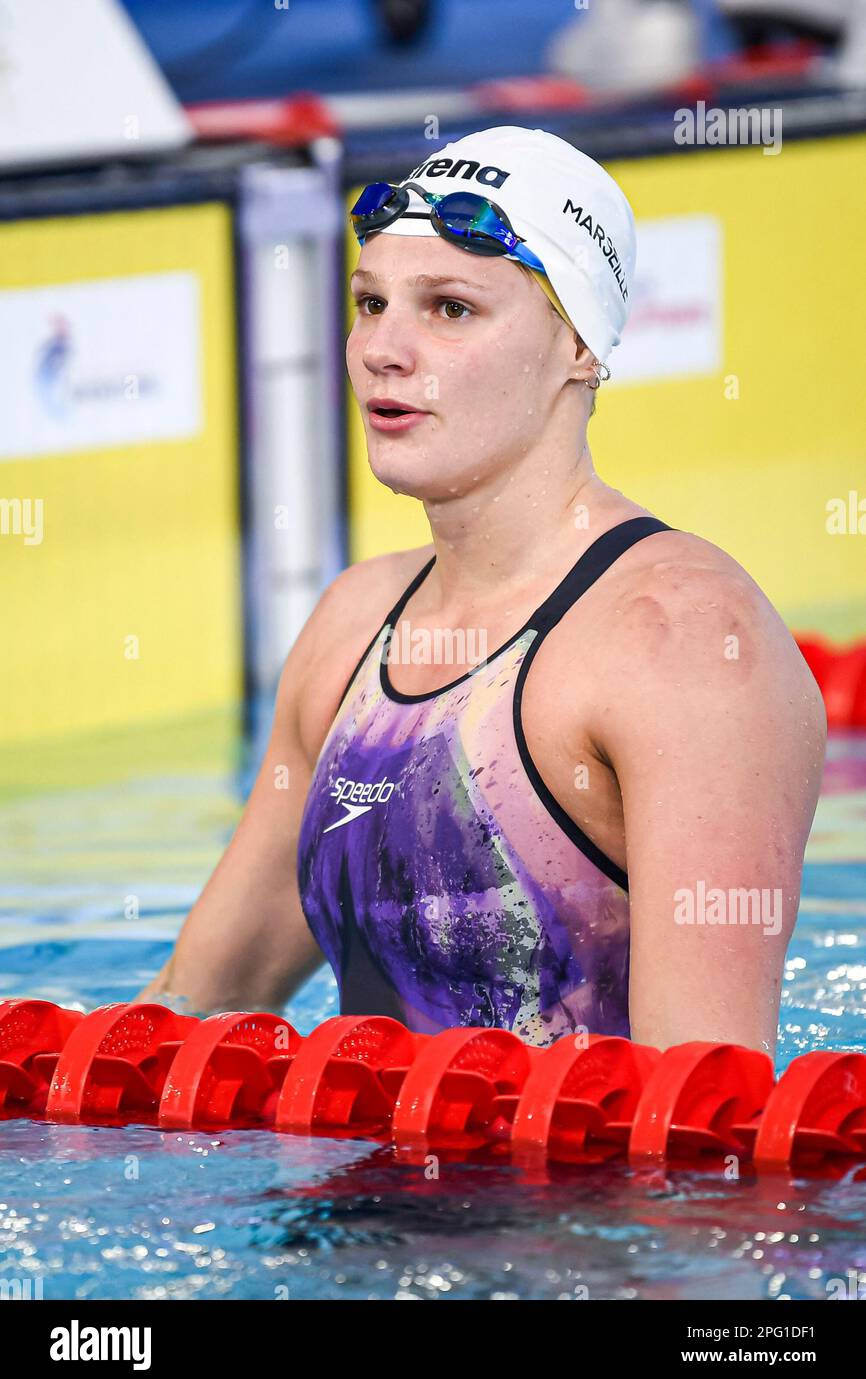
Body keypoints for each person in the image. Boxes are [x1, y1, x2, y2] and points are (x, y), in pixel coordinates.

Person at [137, 126, 826, 1057]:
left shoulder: (683, 644)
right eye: (371, 302)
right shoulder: (353, 629)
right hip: (349, 1200)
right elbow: (185, 1010)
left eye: (451, 309)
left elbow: (706, 1133)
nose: (384, 348)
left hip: (581, 1203)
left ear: (578, 344)